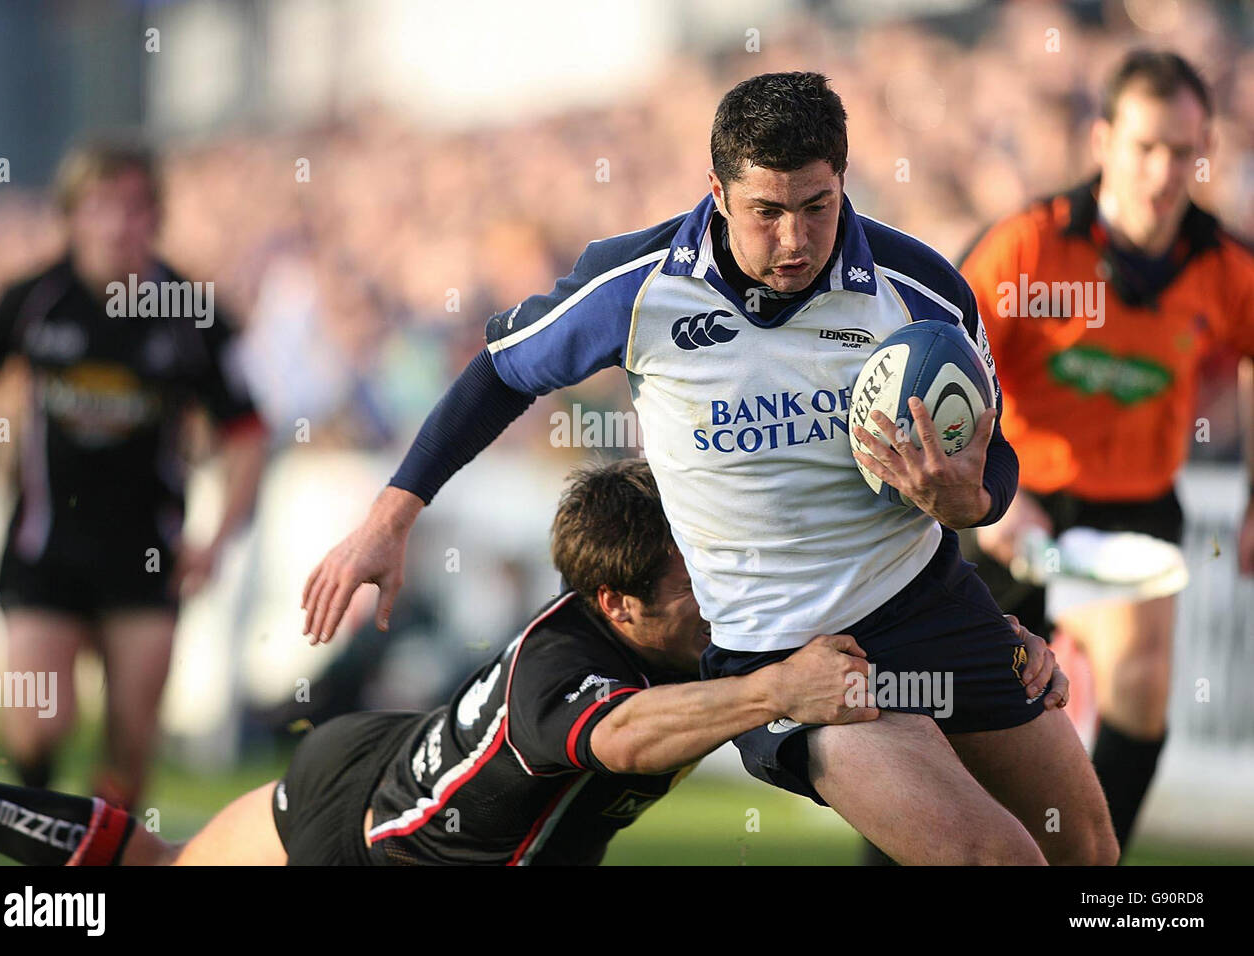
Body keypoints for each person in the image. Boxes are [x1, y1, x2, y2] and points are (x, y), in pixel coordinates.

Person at [302, 72, 1114, 865]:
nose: (794, 240)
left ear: (844, 183)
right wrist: (390, 517)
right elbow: (501, 371)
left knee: (1084, 848)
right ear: (718, 194)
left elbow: (992, 464)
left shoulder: (922, 291)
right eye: (766, 211)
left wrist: (968, 500)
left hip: (932, 608)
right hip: (782, 654)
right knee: (989, 857)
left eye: (816, 207)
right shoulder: (640, 286)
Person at [0, 458, 1046, 866]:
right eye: (690, 579)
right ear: (619, 602)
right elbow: (615, 735)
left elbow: (858, 600)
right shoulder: (564, 674)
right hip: (360, 834)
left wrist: (1001, 636)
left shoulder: (681, 617)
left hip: (391, 753)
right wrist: (775, 691)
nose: (715, 593)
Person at [957, 50, 1254, 853]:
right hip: (1012, 495)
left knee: (1140, 687)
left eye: (1185, 151)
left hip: (1133, 503)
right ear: (1103, 142)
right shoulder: (1029, 243)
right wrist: (990, 488)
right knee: (940, 716)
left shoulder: (1223, 267)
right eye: (1147, 147)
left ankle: (1086, 867)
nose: (1166, 171)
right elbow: (943, 360)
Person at [0, 142, 268, 809]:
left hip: (147, 553)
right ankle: (42, 827)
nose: (118, 225)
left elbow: (246, 434)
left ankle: (100, 868)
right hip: (46, 546)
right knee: (37, 726)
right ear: (72, 216)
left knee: (130, 746)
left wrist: (217, 540)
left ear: (155, 217)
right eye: (101, 207)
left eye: (134, 208)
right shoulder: (35, 299)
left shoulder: (191, 313)